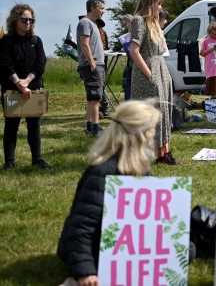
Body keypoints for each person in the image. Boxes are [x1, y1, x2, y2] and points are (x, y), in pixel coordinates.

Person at [57, 100, 161, 285]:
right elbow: (80, 230)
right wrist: (86, 272)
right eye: (151, 131)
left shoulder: (140, 170)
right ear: (138, 135)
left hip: (124, 249)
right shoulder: (102, 173)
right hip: (99, 252)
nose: (153, 137)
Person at [0, 4, 50, 170]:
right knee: (11, 124)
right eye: (24, 19)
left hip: (33, 88)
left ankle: (37, 159)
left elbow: (40, 63)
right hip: (11, 88)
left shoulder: (36, 41)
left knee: (34, 125)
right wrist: (18, 83)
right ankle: (9, 161)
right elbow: (5, 63)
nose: (28, 22)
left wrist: (27, 81)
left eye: (31, 20)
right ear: (15, 20)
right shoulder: (6, 41)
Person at [129, 0, 176, 165]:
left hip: (160, 69)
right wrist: (149, 74)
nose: (161, 7)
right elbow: (134, 51)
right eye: (159, 4)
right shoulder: (139, 21)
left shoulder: (154, 23)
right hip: (148, 72)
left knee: (163, 112)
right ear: (150, 4)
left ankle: (163, 150)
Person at [77, 0, 106, 137]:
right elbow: (84, 43)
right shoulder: (85, 22)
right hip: (92, 65)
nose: (103, 11)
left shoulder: (93, 24)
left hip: (96, 64)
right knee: (95, 96)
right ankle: (95, 127)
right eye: (101, 8)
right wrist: (92, 62)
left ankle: (89, 126)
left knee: (92, 98)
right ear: (93, 7)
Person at [118, 15, 134, 100]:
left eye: (126, 23)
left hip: (133, 64)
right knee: (127, 83)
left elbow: (131, 50)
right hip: (130, 64)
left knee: (129, 84)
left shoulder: (132, 35)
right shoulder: (128, 35)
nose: (124, 26)